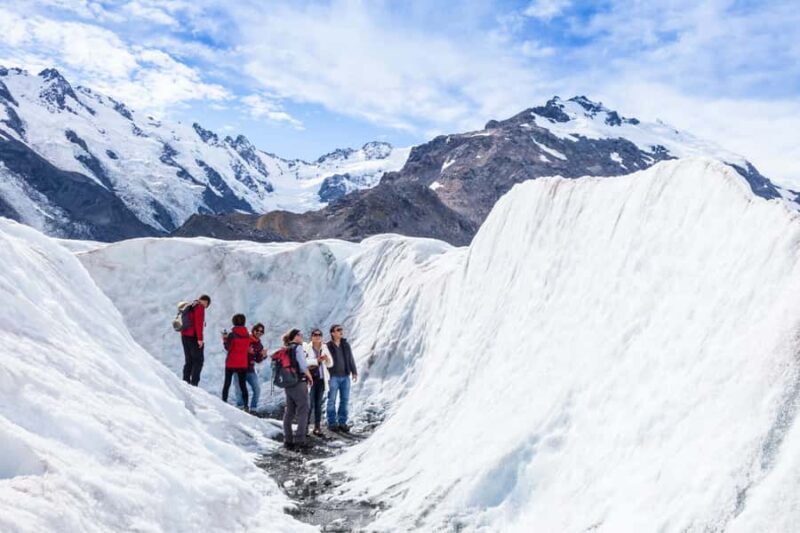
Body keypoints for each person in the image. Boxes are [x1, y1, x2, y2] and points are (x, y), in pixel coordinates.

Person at [283, 329, 313, 450]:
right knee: (303, 410)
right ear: (295, 337)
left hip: (288, 383)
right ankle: (300, 440)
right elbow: (302, 365)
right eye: (300, 335)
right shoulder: (298, 348)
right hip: (298, 382)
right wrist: (310, 376)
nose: (302, 336)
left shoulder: (286, 348)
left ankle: (288, 440)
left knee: (289, 411)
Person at [326, 324, 358, 432]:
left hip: (345, 376)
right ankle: (332, 423)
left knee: (344, 400)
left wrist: (354, 371)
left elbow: (350, 358)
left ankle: (342, 423)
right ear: (333, 333)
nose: (341, 331)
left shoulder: (346, 345)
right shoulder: (328, 346)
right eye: (338, 330)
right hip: (333, 377)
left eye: (341, 329)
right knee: (331, 400)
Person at [304, 328, 333, 436]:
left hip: (321, 379)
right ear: (311, 337)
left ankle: (317, 427)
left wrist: (326, 359)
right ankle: (305, 427)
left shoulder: (324, 347)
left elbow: (330, 364)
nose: (317, 336)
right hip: (311, 379)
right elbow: (304, 362)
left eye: (319, 334)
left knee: (318, 405)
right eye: (315, 335)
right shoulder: (307, 347)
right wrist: (317, 361)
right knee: (309, 404)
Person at [221, 314, 250, 412]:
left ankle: (223, 402)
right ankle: (246, 405)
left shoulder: (232, 335)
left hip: (231, 363)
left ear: (233, 322)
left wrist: (225, 339)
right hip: (242, 363)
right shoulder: (247, 335)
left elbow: (228, 348)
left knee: (227, 384)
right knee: (243, 385)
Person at [235, 323, 266, 412]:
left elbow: (258, 360)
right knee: (239, 389)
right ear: (253, 330)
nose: (259, 332)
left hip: (250, 370)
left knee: (257, 389)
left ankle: (253, 409)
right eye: (257, 330)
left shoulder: (259, 345)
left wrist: (263, 355)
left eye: (261, 331)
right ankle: (241, 408)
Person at [181, 294, 211, 386]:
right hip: (193, 337)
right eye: (207, 305)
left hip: (184, 335)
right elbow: (199, 324)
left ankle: (185, 381)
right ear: (205, 302)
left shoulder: (191, 305)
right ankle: (194, 383)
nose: (206, 307)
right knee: (198, 360)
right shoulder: (200, 307)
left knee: (188, 360)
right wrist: (200, 339)